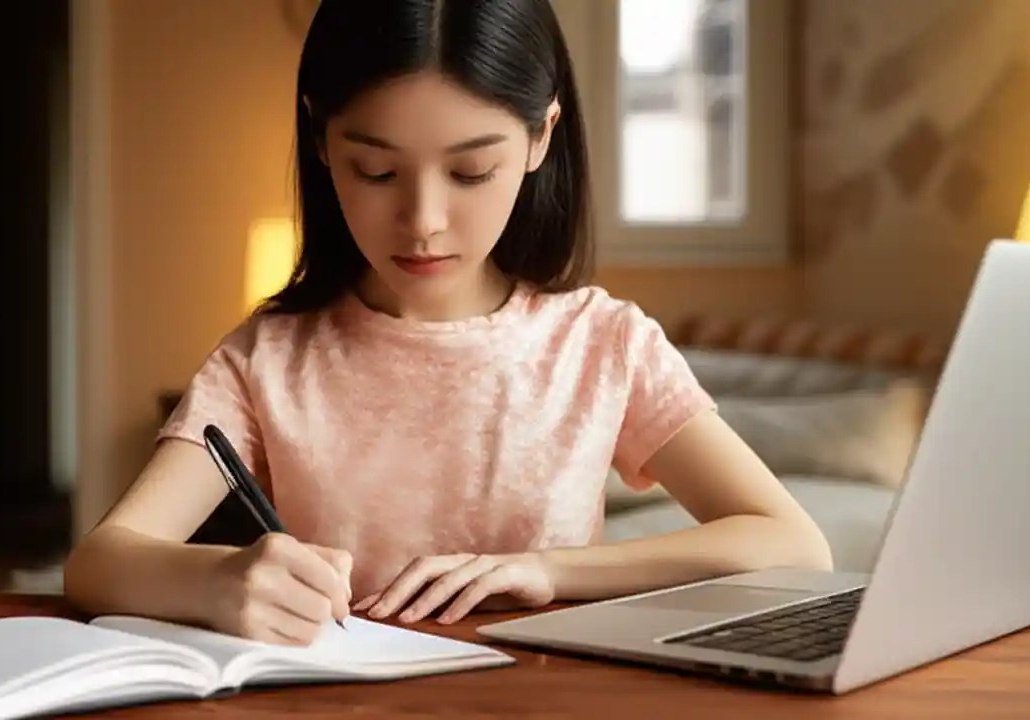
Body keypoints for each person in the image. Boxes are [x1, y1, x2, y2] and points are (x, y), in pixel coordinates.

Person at [63, 0, 832, 647]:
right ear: (323, 140)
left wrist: (549, 568)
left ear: (540, 137)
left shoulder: (602, 344)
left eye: (470, 171)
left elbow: (792, 542)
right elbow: (99, 562)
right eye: (377, 171)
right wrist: (221, 579)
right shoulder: (269, 359)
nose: (423, 221)